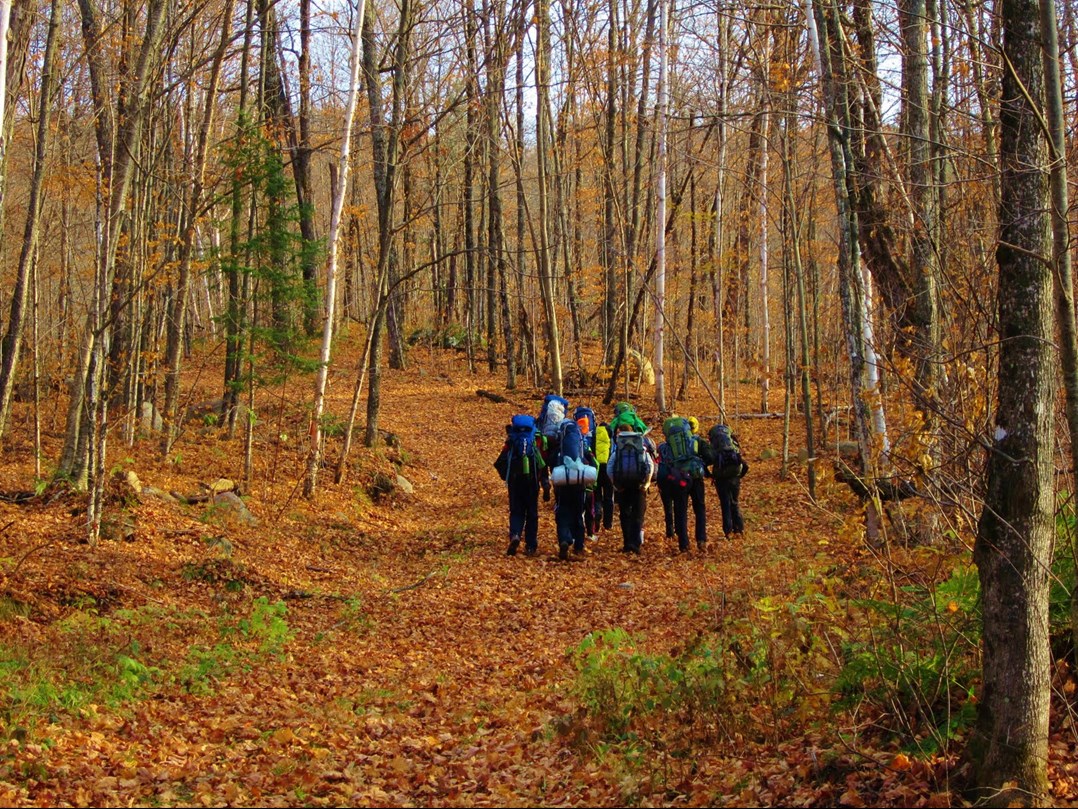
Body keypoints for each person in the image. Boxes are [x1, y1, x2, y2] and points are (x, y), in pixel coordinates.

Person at [493, 414, 546, 556]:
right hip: (532, 480)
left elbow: (500, 461)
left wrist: (507, 477)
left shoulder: (512, 438)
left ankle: (515, 535)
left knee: (516, 510)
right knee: (532, 512)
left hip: (515, 480)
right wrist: (544, 481)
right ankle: (530, 545)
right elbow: (542, 461)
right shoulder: (536, 438)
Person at [551, 418, 598, 560]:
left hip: (562, 486)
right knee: (578, 514)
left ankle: (564, 540)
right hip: (579, 485)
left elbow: (552, 463)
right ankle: (578, 545)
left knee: (563, 514)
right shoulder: (582, 446)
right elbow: (593, 464)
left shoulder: (560, 447)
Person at [607, 422, 656, 554]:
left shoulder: (618, 449)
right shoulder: (641, 448)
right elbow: (650, 466)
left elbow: (609, 468)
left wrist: (615, 485)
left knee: (625, 514)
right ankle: (636, 544)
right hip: (638, 485)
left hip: (622, 485)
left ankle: (627, 543)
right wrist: (646, 483)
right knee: (638, 514)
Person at [709, 423, 748, 538]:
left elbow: (710, 459)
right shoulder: (733, 444)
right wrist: (739, 476)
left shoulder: (715, 446)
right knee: (734, 502)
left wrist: (711, 474)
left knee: (725, 504)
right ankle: (739, 529)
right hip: (734, 477)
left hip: (721, 479)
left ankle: (727, 531)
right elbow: (745, 465)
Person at [656, 438, 691, 552]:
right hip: (677, 480)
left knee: (667, 506)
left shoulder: (661, 447)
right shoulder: (682, 448)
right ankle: (680, 533)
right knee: (679, 507)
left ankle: (669, 530)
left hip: (664, 480)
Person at [687, 417, 713, 550]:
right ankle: (701, 540)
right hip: (696, 478)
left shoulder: (679, 441)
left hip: (681, 477)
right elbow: (710, 457)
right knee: (700, 508)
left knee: (681, 509)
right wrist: (702, 465)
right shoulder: (699, 441)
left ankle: (683, 542)